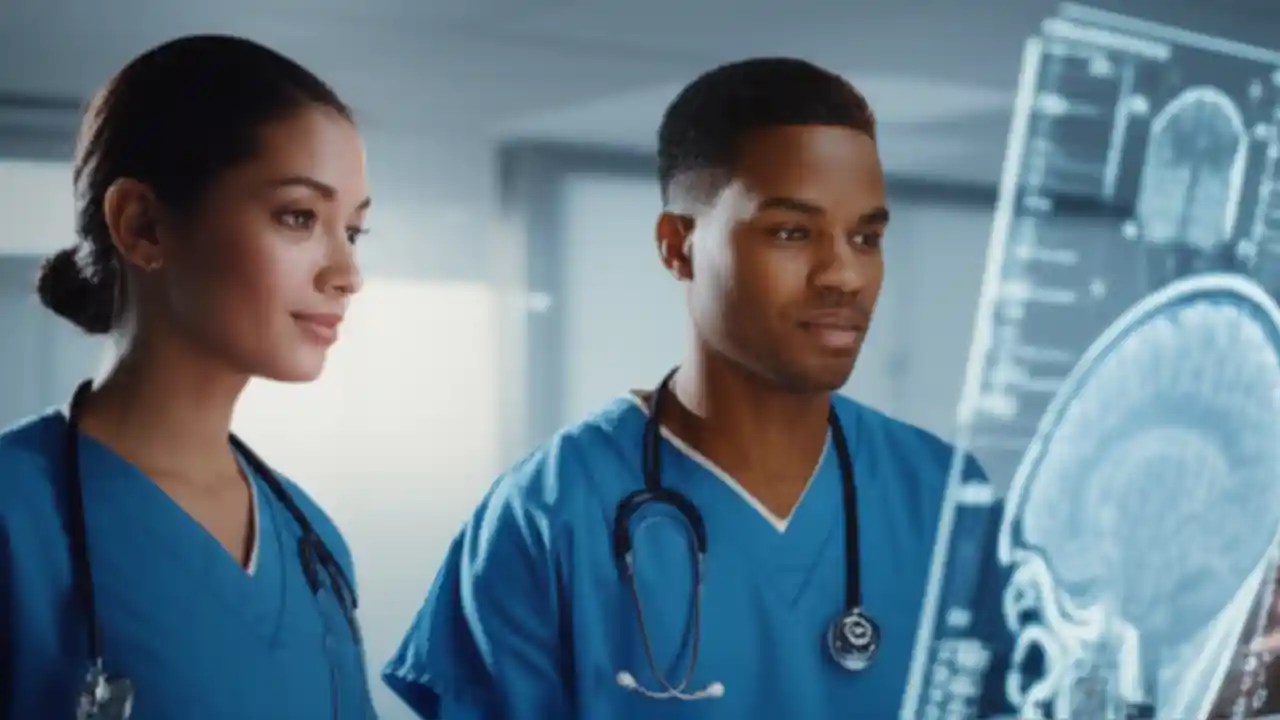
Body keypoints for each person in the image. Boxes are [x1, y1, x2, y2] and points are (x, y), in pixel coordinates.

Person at [383, 57, 985, 719]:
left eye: (866, 237)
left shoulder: (944, 497)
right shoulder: (550, 514)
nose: (844, 274)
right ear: (678, 245)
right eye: (791, 233)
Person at [0, 35, 375, 718]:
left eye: (352, 231)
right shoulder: (17, 517)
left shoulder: (312, 544)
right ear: (143, 226)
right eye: (299, 217)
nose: (347, 274)